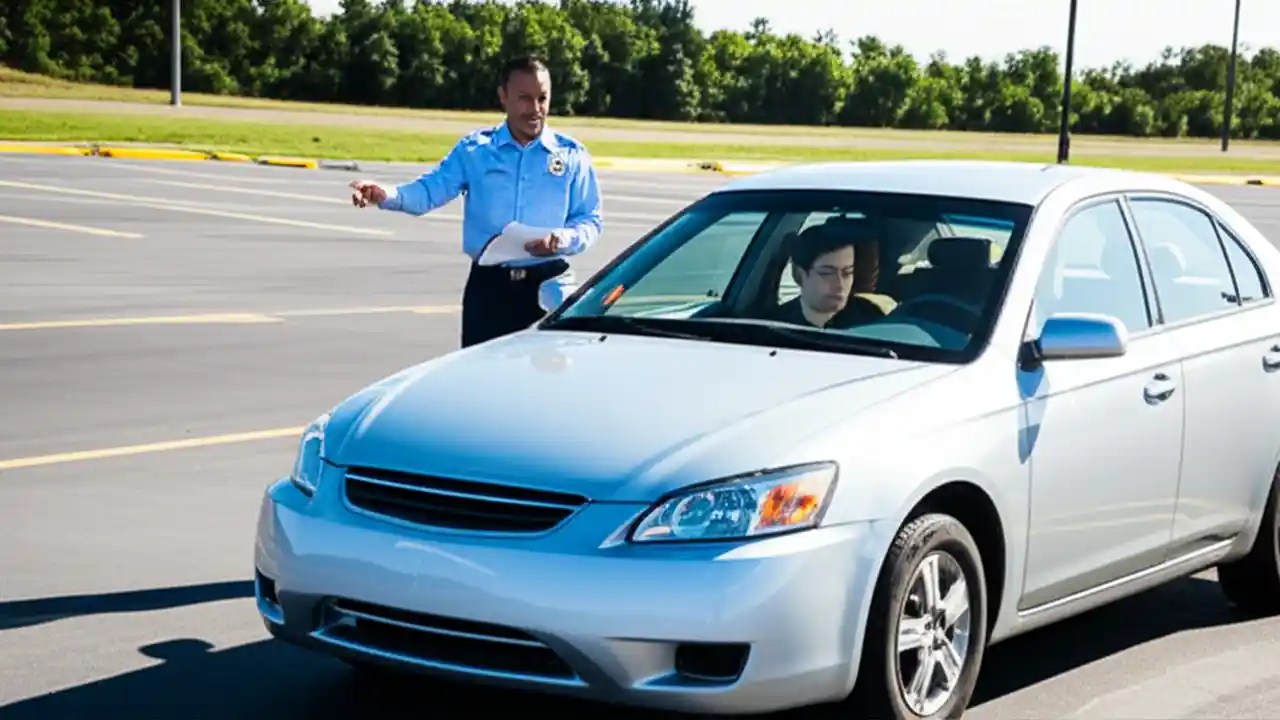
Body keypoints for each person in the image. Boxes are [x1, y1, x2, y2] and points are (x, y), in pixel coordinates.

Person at [349, 56, 604, 348]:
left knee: (547, 382)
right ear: (503, 97)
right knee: (480, 381)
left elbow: (590, 220)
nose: (535, 110)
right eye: (524, 99)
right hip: (490, 289)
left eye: (542, 99)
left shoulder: (571, 154)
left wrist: (564, 239)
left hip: (550, 285)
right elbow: (429, 192)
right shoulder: (476, 151)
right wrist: (386, 195)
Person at [771, 220, 887, 329]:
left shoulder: (871, 321)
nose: (840, 285)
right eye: (827, 273)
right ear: (799, 274)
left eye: (847, 273)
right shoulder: (774, 325)